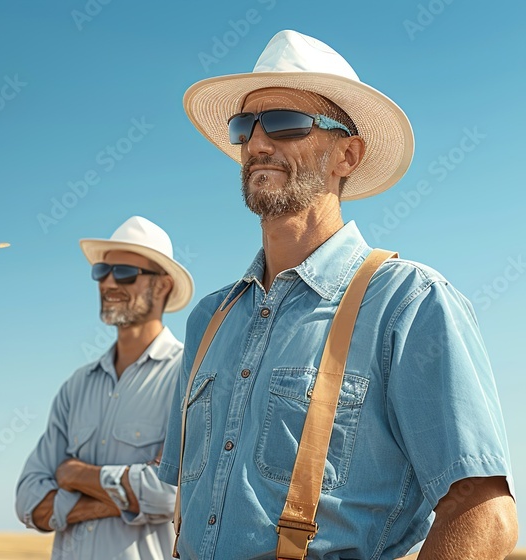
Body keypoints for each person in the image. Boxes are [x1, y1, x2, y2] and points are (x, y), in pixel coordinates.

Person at [157, 30, 518, 559]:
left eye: (284, 123)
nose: (257, 143)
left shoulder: (410, 304)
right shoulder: (209, 318)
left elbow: (483, 515)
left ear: (346, 154)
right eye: (245, 126)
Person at [15, 215, 195, 559]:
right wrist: (124, 498)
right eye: (102, 272)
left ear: (163, 285)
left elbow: (177, 494)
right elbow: (28, 500)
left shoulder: (190, 379)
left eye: (125, 273)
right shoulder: (76, 387)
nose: (108, 282)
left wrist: (73, 473)